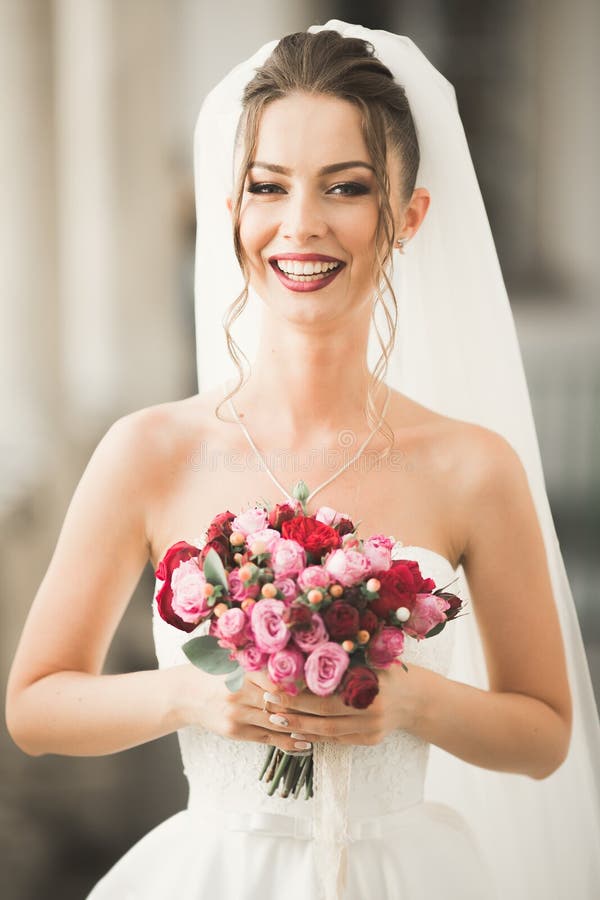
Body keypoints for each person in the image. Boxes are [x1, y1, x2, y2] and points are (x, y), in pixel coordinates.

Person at [5, 19, 600, 900]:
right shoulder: (149, 451)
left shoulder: (474, 467)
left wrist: (411, 703)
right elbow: (34, 706)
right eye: (268, 187)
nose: (301, 226)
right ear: (233, 206)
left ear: (407, 216)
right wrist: (193, 698)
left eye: (346, 188)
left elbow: (545, 732)